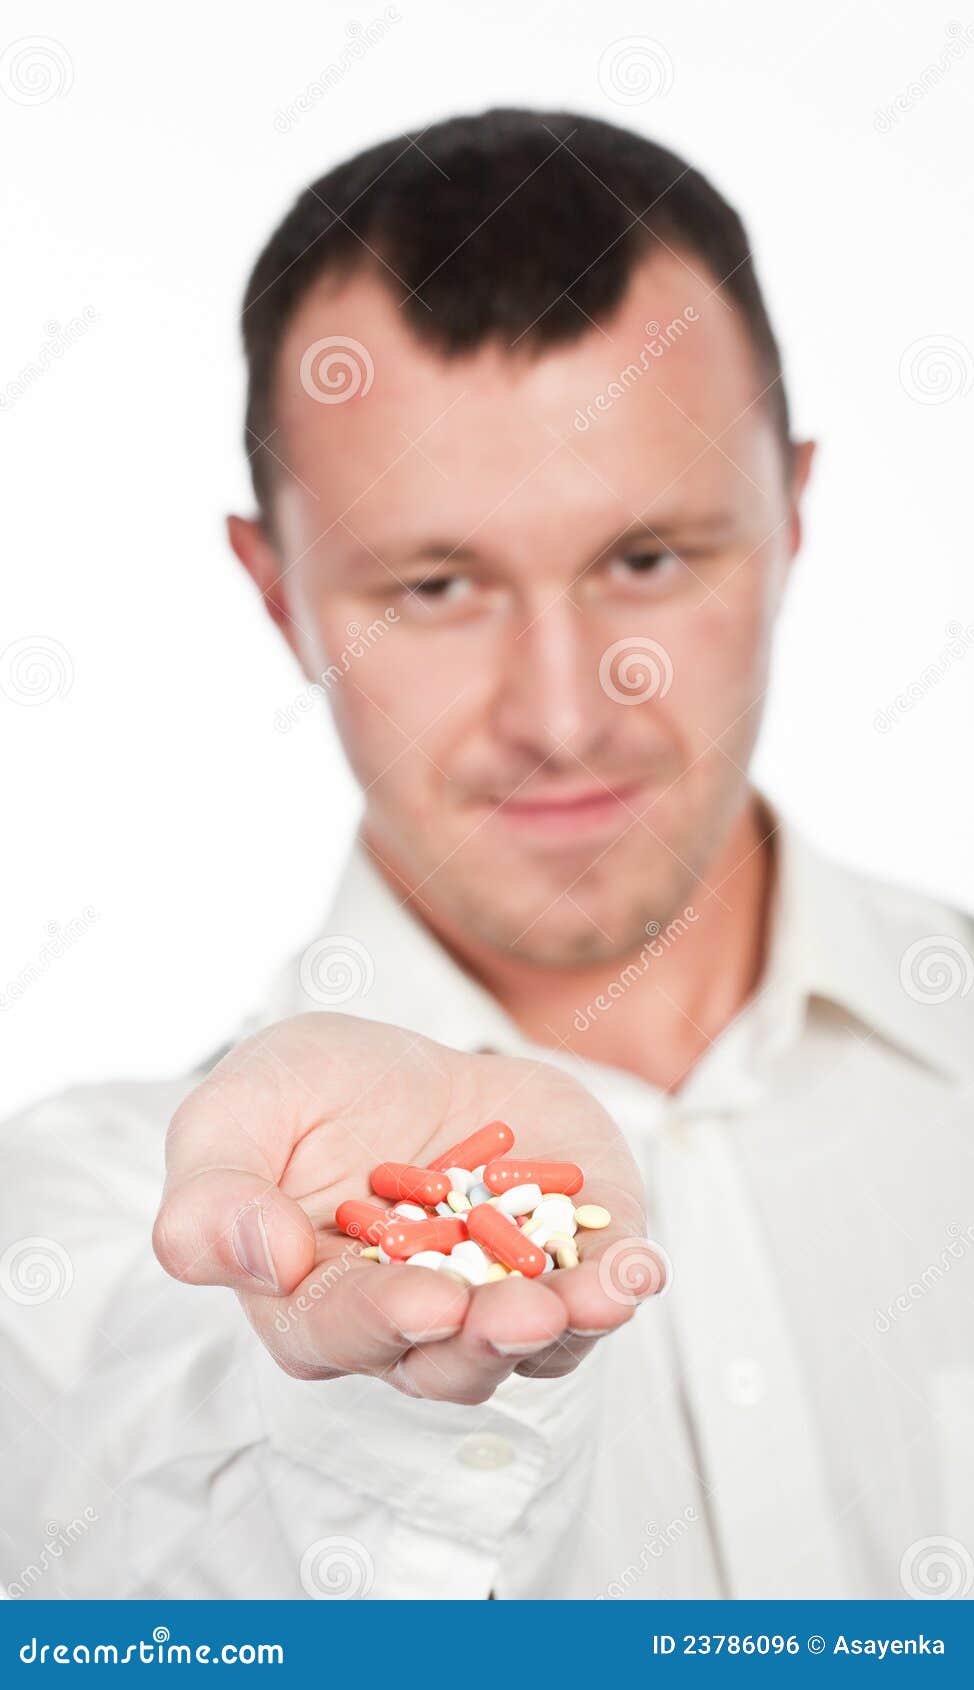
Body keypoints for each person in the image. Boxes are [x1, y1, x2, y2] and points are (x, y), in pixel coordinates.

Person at [2, 108, 972, 1605]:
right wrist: (367, 1399)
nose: (565, 712)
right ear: (276, 591)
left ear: (792, 513)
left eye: (645, 561)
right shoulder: (82, 1227)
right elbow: (147, 1565)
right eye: (438, 584)